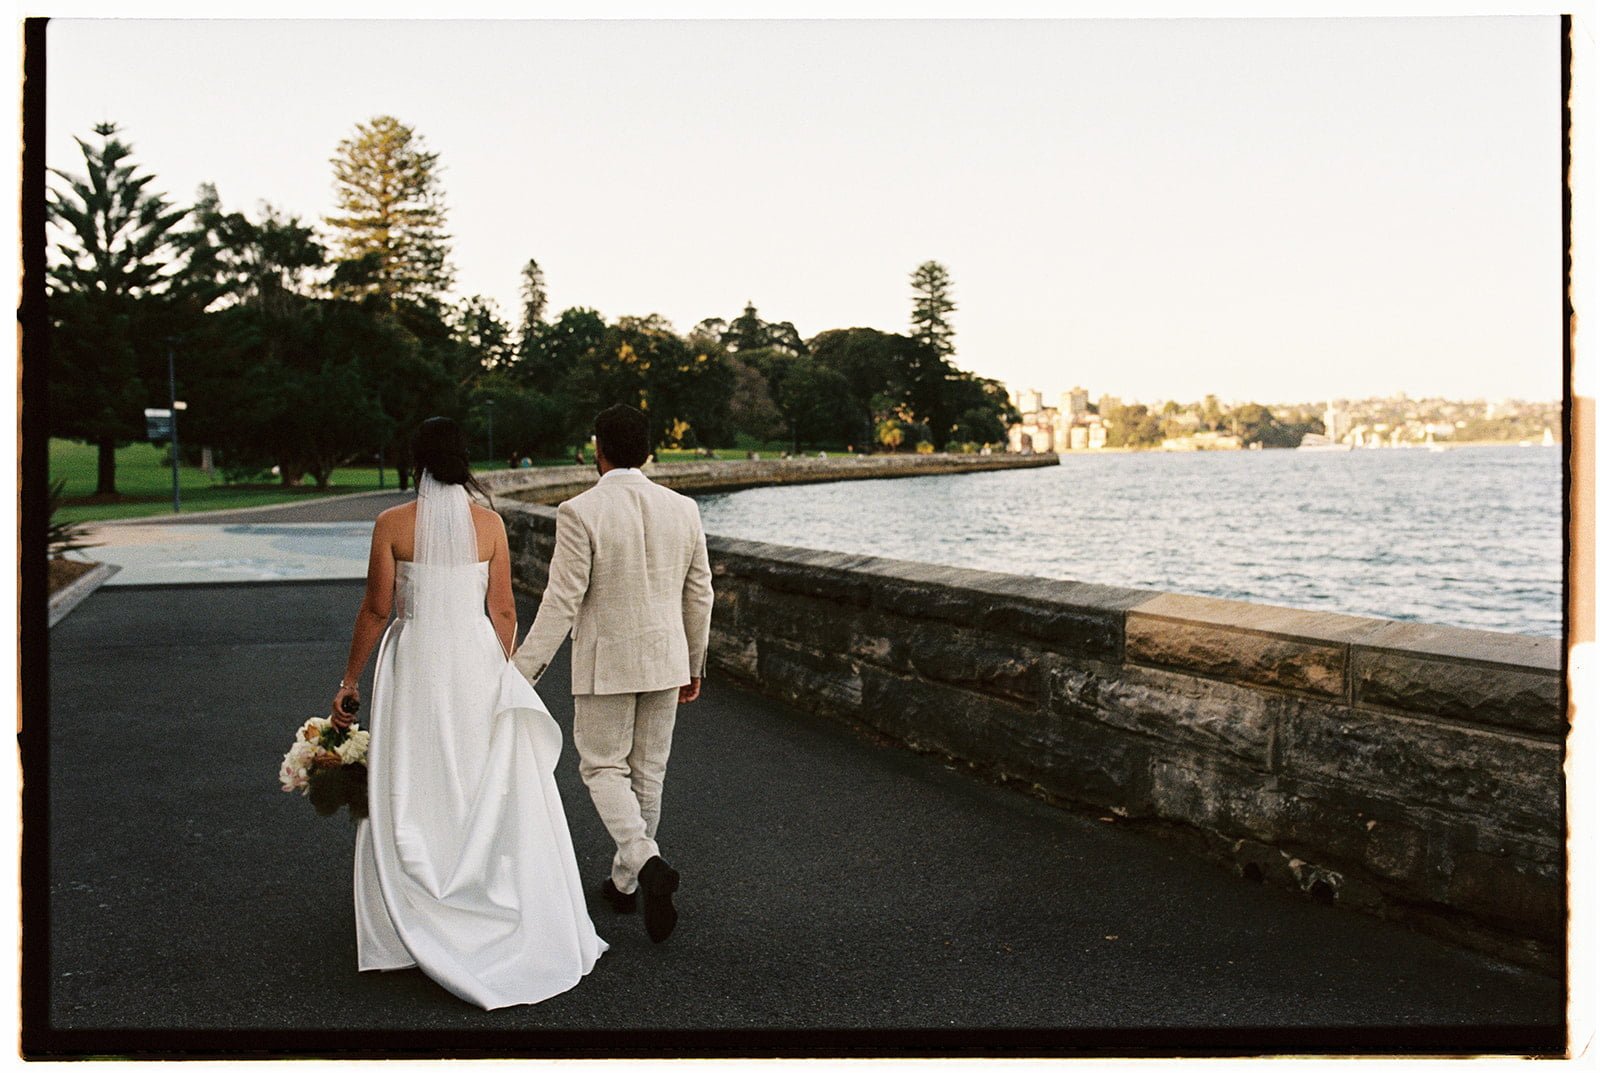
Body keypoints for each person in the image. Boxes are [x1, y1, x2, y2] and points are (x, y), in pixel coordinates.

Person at [332, 417, 605, 1010]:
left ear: (417, 460)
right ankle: (485, 892)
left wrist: (350, 679)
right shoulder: (490, 525)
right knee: (481, 777)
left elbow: (377, 608)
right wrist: (499, 672)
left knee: (414, 774)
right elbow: (503, 610)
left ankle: (407, 917)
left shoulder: (393, 524)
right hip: (474, 661)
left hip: (417, 661)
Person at [513, 404, 713, 944]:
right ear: (648, 451)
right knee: (649, 772)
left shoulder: (580, 511)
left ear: (598, 449)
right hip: (666, 657)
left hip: (608, 663)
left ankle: (643, 864)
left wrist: (520, 672)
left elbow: (561, 600)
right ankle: (626, 885)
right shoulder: (684, 508)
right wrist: (694, 661)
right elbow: (700, 593)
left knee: (603, 769)